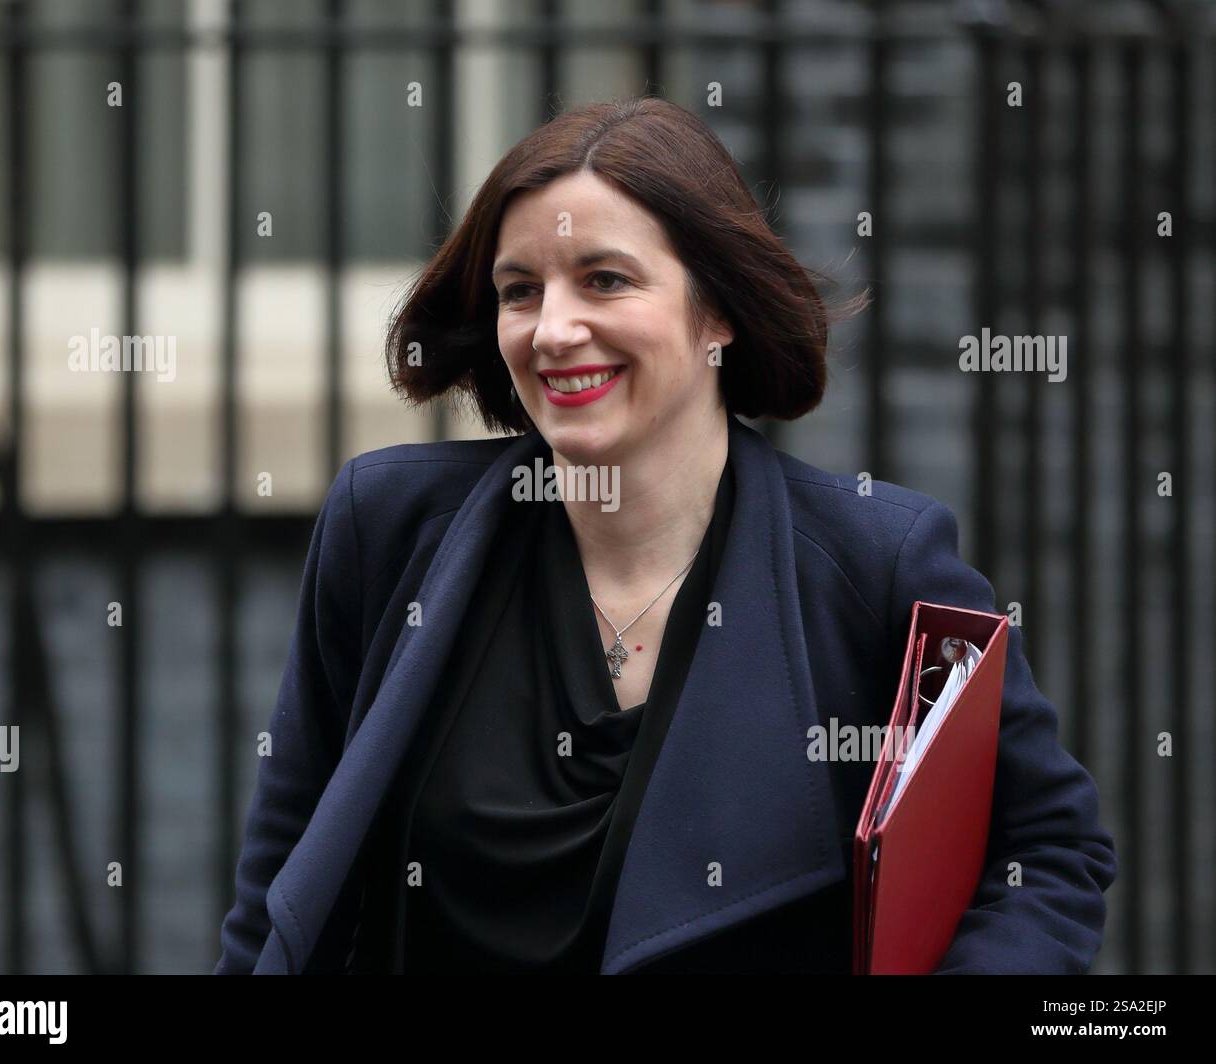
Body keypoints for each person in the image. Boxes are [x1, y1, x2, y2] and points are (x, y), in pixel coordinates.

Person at [215, 96, 1115, 975]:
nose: (555, 330)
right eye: (520, 290)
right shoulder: (387, 528)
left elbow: (1046, 853)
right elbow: (283, 881)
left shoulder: (877, 565)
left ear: (716, 312)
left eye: (605, 280)